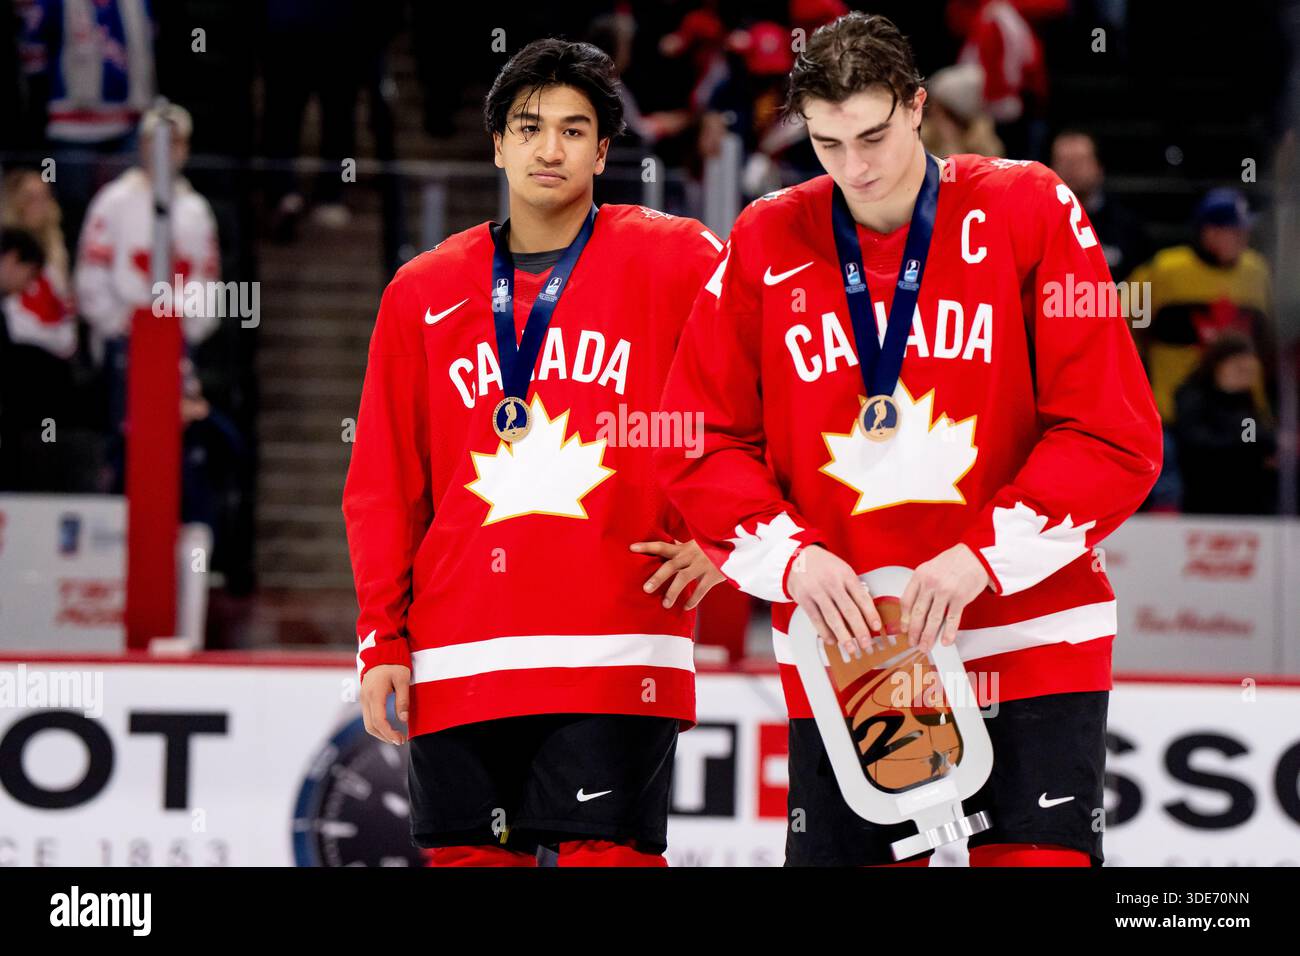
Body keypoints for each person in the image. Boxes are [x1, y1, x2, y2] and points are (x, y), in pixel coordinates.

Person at [656, 12, 1162, 867]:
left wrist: (984, 557)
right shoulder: (766, 238)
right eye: (826, 144)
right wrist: (790, 560)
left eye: (874, 135)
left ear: (918, 105)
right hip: (853, 660)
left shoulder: (1026, 206)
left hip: (1028, 637)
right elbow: (696, 441)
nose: (855, 167)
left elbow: (1114, 435)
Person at [342, 38, 725, 868]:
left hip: (618, 645)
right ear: (497, 144)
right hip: (458, 649)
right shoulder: (423, 289)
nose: (550, 148)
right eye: (529, 126)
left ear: (602, 149)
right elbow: (382, 483)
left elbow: (777, 392)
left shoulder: (676, 257)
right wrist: (382, 640)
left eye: (574, 129)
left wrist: (732, 539)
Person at [74, 102, 221, 490]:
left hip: (176, 348)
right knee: (123, 436)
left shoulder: (196, 211)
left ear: (186, 148)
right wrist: (122, 324)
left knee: (179, 442)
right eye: (158, 141)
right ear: (142, 145)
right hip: (123, 343)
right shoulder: (113, 201)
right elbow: (92, 275)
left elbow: (207, 282)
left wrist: (179, 328)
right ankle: (114, 509)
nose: (166, 151)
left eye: (175, 143)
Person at [1128, 187, 1275, 426]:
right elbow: (1120, 324)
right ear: (1209, 232)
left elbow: (1267, 341)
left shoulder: (1257, 271)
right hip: (1174, 415)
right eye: (1236, 232)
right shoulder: (1164, 269)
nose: (1244, 239)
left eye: (1245, 231)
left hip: (1244, 415)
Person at [1172, 332, 1277, 515]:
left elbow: (1252, 438)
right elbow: (1196, 443)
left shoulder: (1246, 403)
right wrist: (1246, 446)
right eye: (1239, 369)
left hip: (1246, 494)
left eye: (1250, 372)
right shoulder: (1193, 396)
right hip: (1204, 489)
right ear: (1218, 365)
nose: (1245, 378)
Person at [1049, 130, 1151, 282]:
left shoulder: (1127, 224)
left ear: (1099, 167)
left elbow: (1141, 286)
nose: (1072, 169)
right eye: (1063, 161)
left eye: (1080, 161)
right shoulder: (1038, 224)